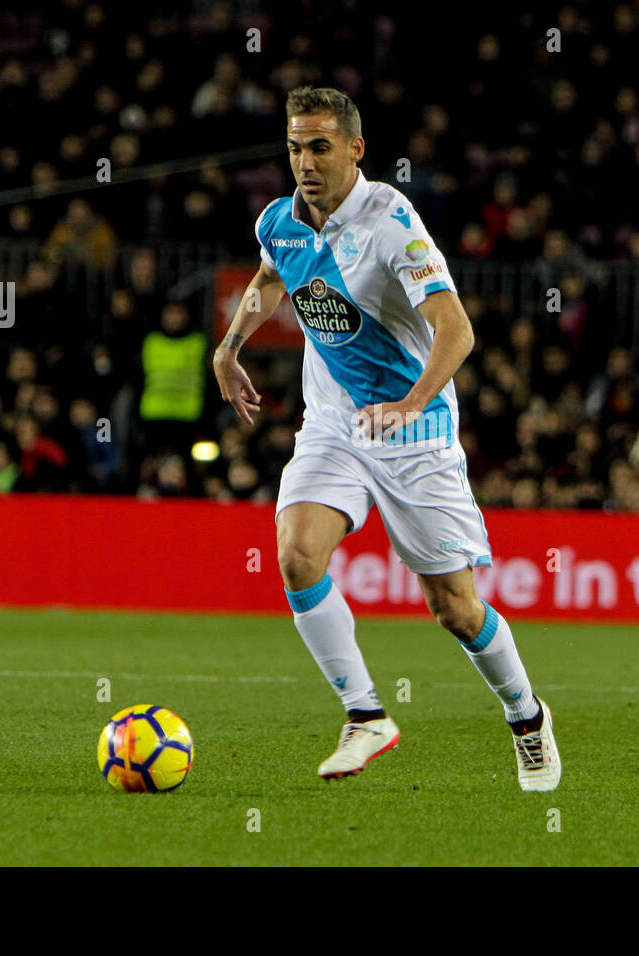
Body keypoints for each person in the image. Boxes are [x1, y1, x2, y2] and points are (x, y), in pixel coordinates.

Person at [212, 87, 560, 790]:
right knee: (296, 555)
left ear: (353, 149)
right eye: (294, 147)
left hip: (414, 432)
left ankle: (526, 718)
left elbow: (456, 329)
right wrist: (230, 345)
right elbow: (270, 278)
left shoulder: (393, 223)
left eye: (318, 146)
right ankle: (366, 714)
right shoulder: (279, 220)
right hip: (334, 422)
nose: (304, 162)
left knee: (454, 610)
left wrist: (410, 401)